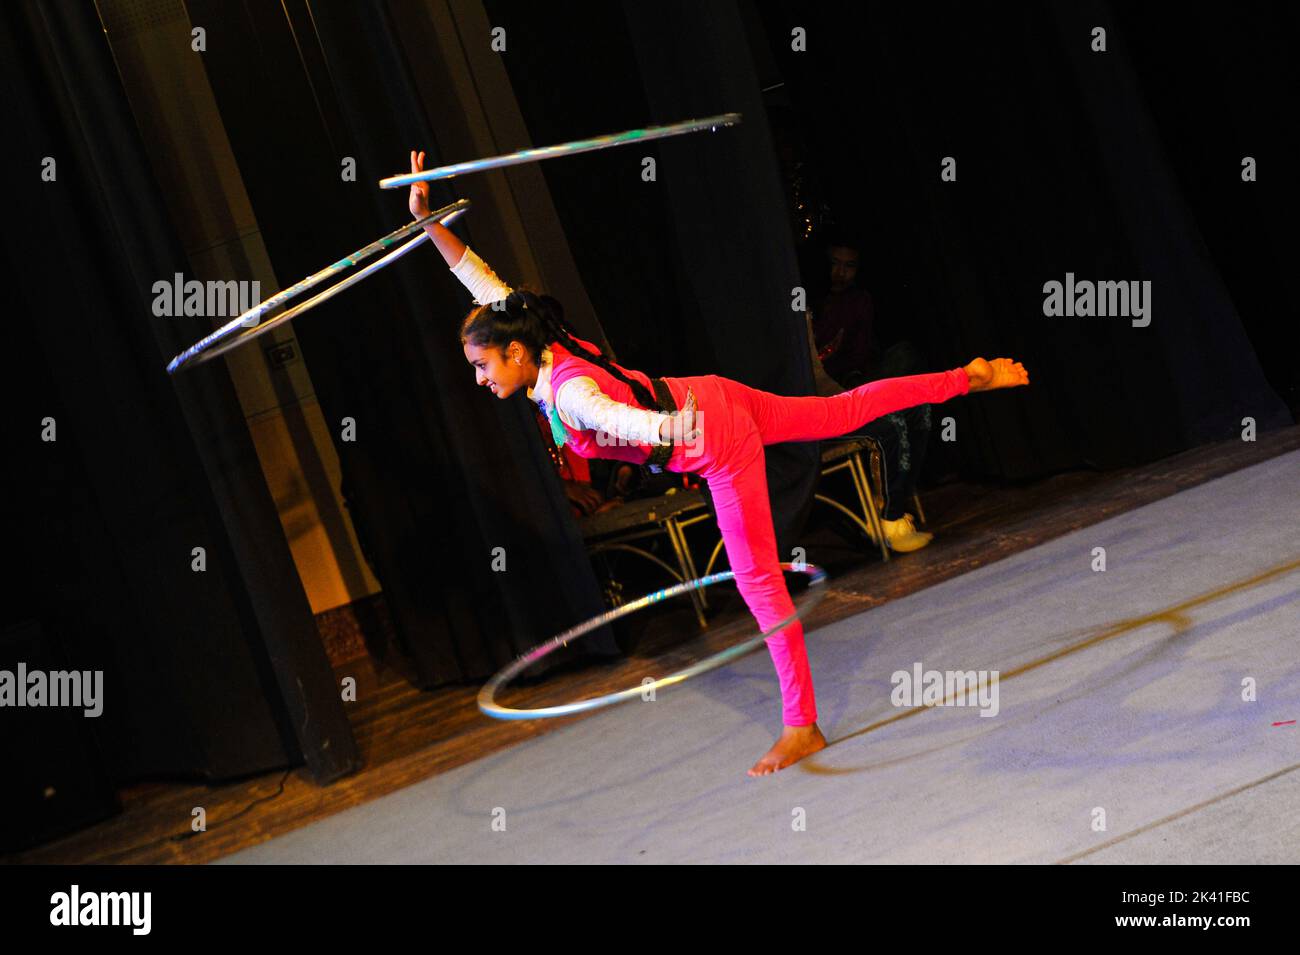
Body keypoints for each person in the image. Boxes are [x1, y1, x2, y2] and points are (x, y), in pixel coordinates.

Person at [408, 151, 1031, 776]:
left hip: (709, 436)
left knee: (758, 582)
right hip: (713, 395)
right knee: (838, 413)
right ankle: (963, 378)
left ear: (514, 353)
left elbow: (622, 422)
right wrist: (429, 224)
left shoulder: (567, 390)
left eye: (483, 367)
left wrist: (669, 429)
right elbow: (483, 282)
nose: (482, 380)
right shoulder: (541, 341)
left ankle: (801, 725)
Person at [811, 236, 936, 551]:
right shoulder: (807, 304)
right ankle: (888, 515)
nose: (840, 272)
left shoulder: (858, 301)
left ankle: (895, 509)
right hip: (822, 401)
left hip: (856, 384)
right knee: (891, 424)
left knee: (914, 395)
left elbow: (860, 355)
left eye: (849, 266)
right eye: (834, 264)